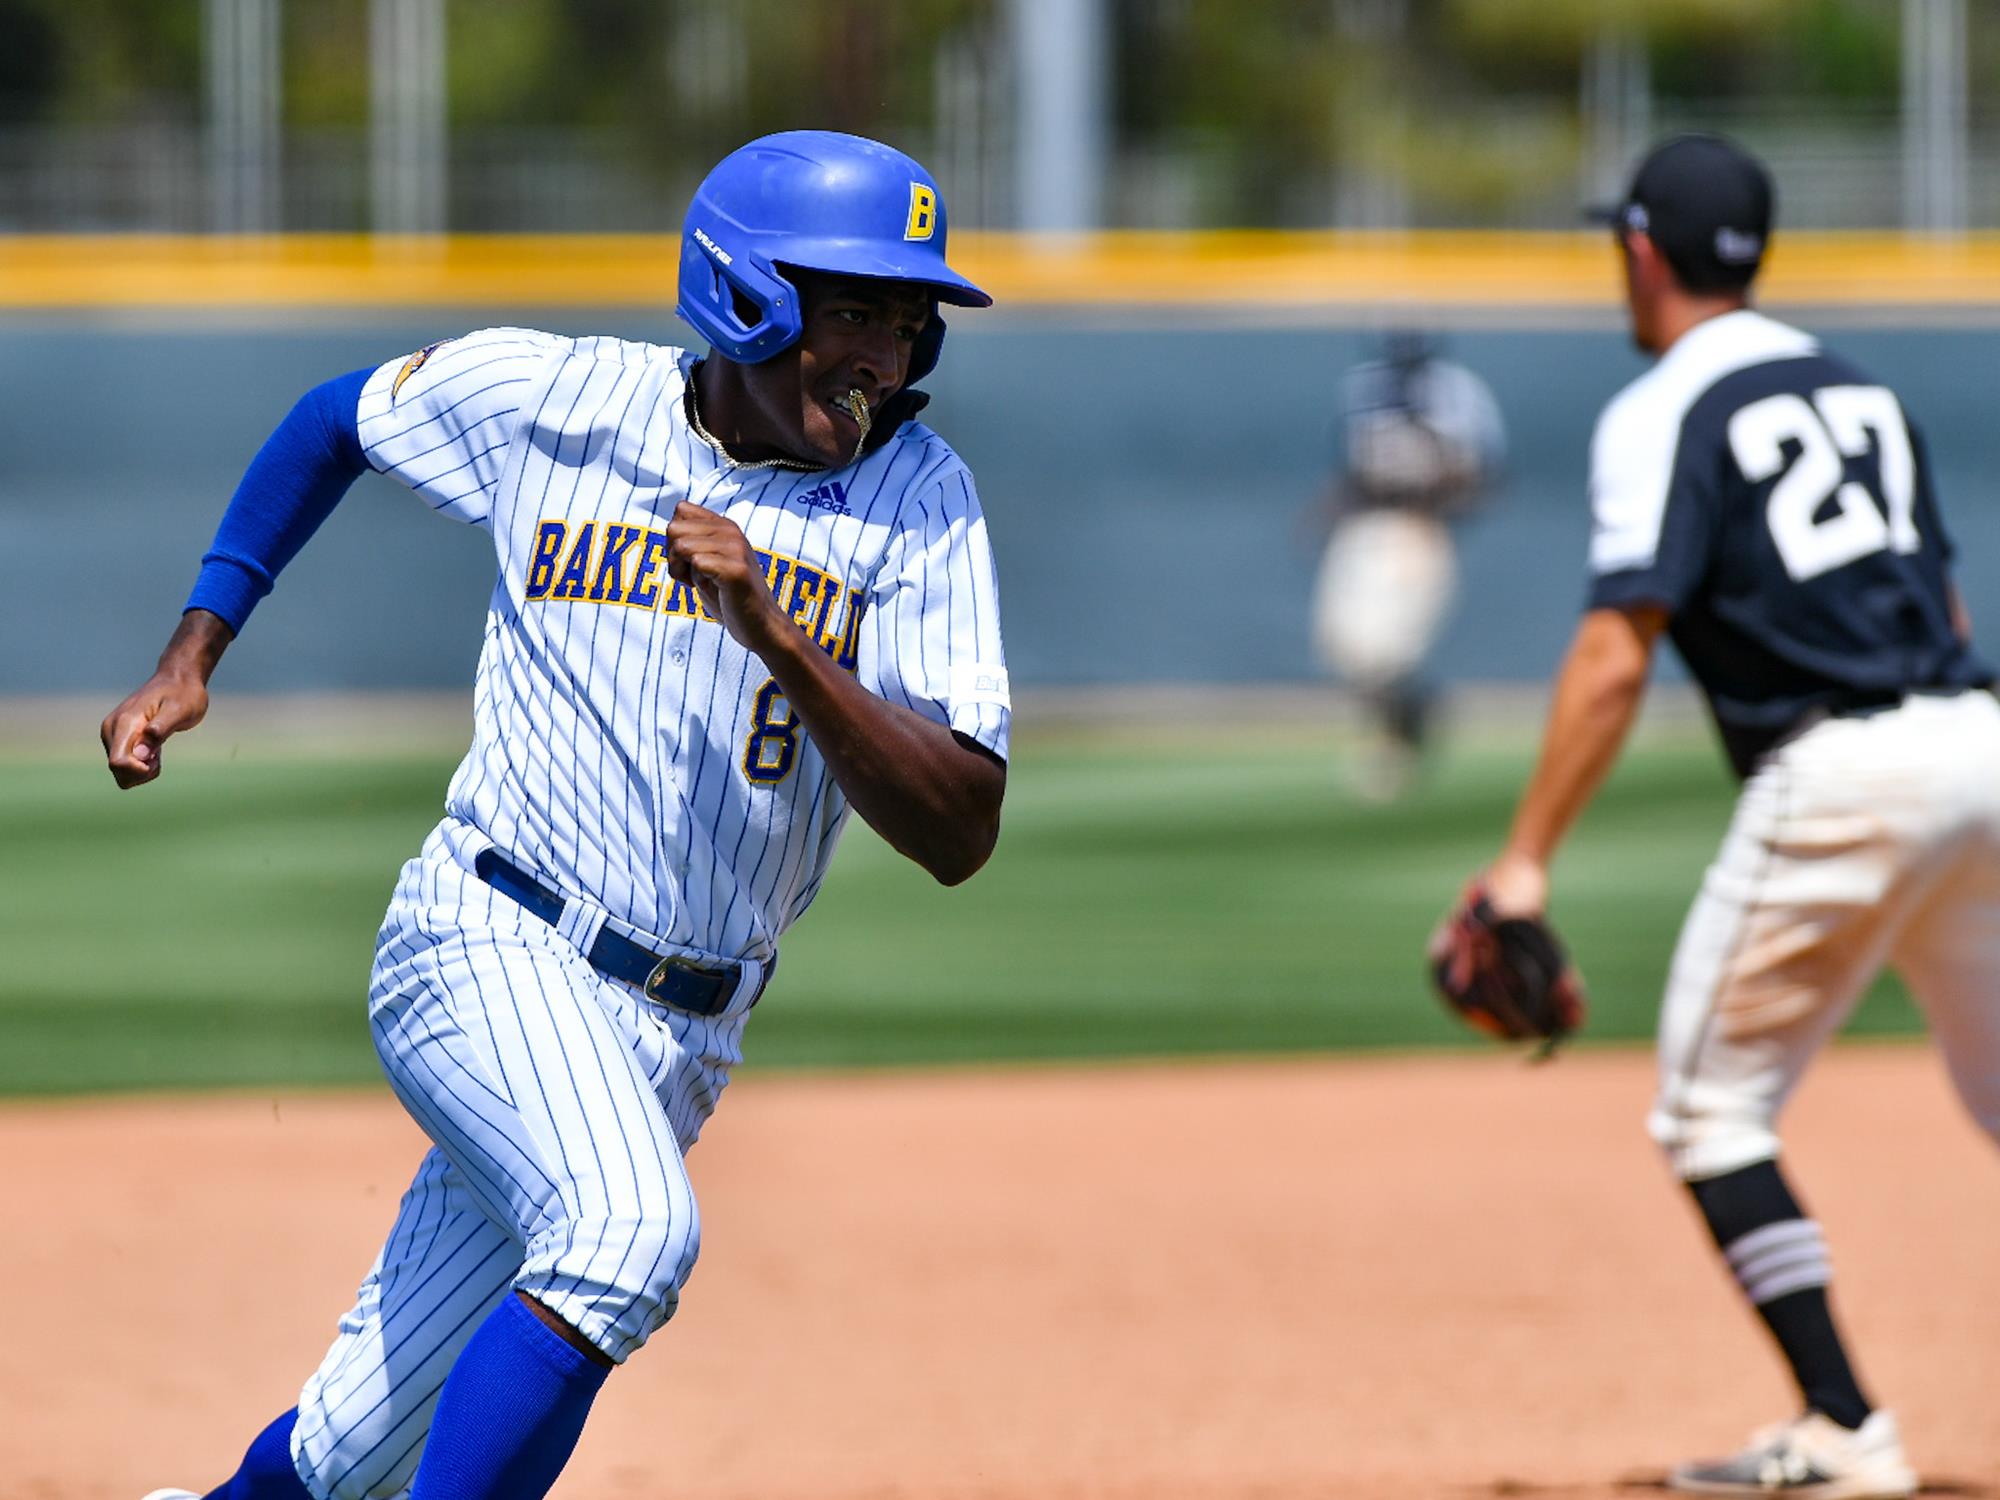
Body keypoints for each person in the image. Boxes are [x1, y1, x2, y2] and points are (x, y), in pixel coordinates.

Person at [102, 130, 1011, 1500]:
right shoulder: (555, 397)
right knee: (625, 1237)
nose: (883, 352)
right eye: (852, 308)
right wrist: (195, 648)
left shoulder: (920, 500)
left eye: (906, 318)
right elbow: (333, 422)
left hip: (688, 1029)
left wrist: (779, 631)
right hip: (488, 942)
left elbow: (960, 830)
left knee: (351, 1457)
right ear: (746, 293)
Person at [1469, 133, 1999, 1497]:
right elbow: (1941, 608)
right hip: (1978, 742)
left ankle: (1843, 1428)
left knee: (1712, 1115)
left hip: (1844, 774)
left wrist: (1523, 865)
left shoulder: (1664, 409)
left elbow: (1614, 651)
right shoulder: (1860, 389)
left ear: (1641, 252)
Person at [1308, 329, 1504, 799]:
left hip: (1416, 526)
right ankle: (1412, 713)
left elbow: (1484, 474)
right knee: (1341, 643)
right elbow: (1350, 468)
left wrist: (1434, 505)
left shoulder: (1457, 395)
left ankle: (1393, 742)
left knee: (1388, 652)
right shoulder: (1364, 391)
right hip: (1366, 524)